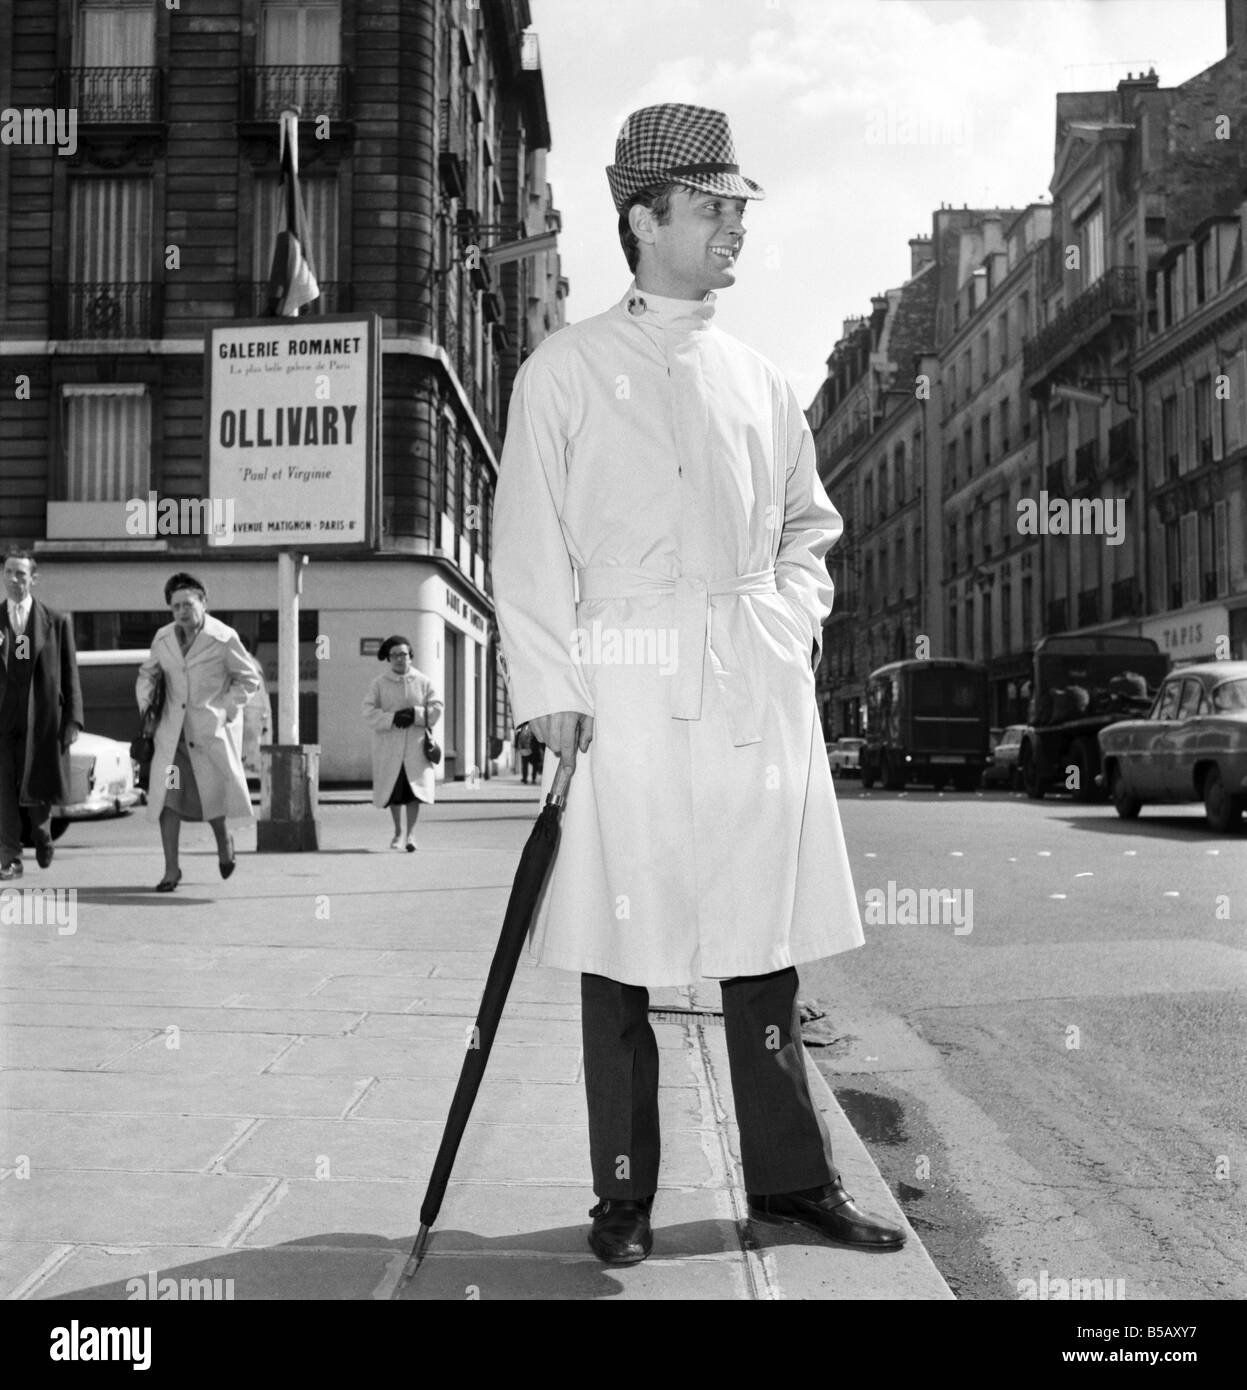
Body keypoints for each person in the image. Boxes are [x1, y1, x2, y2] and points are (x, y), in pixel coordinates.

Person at [491, 103, 905, 1265]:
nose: (734, 230)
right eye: (714, 209)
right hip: (615, 692)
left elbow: (807, 532)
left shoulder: (761, 380)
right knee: (617, 952)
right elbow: (525, 545)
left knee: (758, 949)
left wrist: (784, 623)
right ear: (644, 218)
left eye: (735, 210)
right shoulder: (560, 371)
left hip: (743, 688)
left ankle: (787, 1184)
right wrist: (550, 692)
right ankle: (621, 1193)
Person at [137, 573, 261, 891]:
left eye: (188, 604)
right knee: (168, 800)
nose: (182, 611)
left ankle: (224, 843)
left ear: (203, 602)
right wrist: (146, 702)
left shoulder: (223, 637)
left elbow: (249, 679)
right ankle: (171, 870)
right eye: (175, 606)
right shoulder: (163, 637)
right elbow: (148, 673)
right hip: (173, 738)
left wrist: (227, 709)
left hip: (207, 734)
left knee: (211, 798)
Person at [0, 550, 82, 878]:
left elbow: (70, 671)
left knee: (37, 785)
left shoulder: (57, 621)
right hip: (3, 719)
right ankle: (9, 856)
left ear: (33, 578)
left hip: (41, 718)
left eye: (20, 574)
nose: (13, 579)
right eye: (8, 572)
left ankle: (43, 834)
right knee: (3, 789)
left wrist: (73, 719)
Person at [362, 635, 443, 851]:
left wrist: (416, 714)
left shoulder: (423, 682)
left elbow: (437, 709)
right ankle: (398, 831)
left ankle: (411, 835)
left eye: (404, 654)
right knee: (394, 793)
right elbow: (367, 712)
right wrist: (391, 718)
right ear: (389, 658)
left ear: (411, 656)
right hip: (389, 747)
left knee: (413, 793)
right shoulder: (379, 684)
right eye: (395, 655)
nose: (400, 659)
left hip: (415, 748)